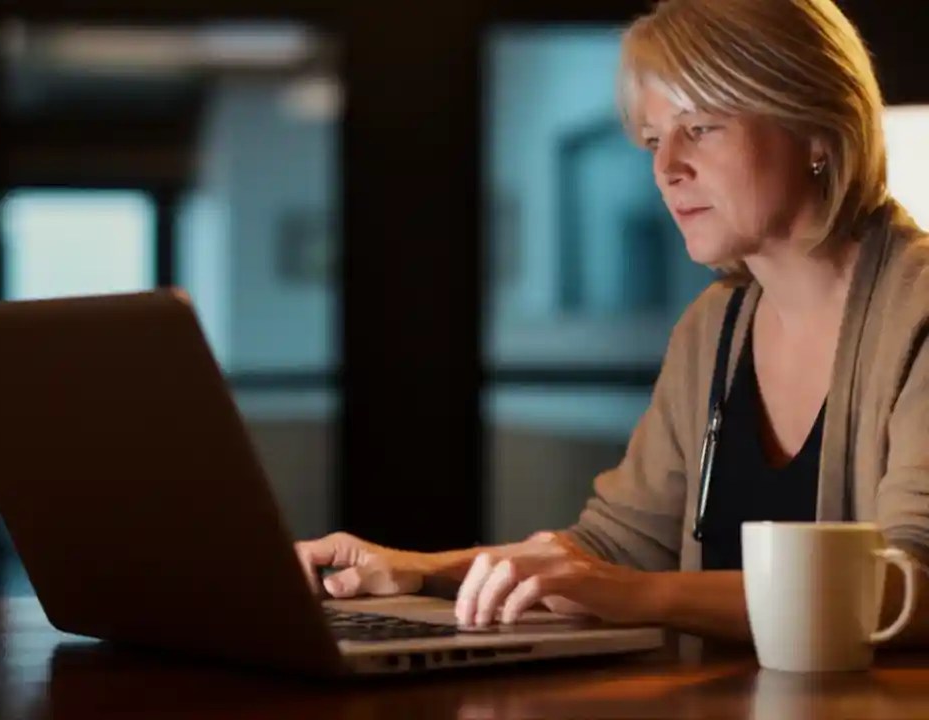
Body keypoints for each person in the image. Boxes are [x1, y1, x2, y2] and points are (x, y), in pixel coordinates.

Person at [297, 0, 929, 645]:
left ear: (817, 130)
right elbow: (617, 547)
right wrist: (419, 572)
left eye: (701, 128)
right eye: (655, 140)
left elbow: (912, 586)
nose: (666, 168)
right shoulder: (714, 327)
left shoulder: (919, 313)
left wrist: (634, 595)